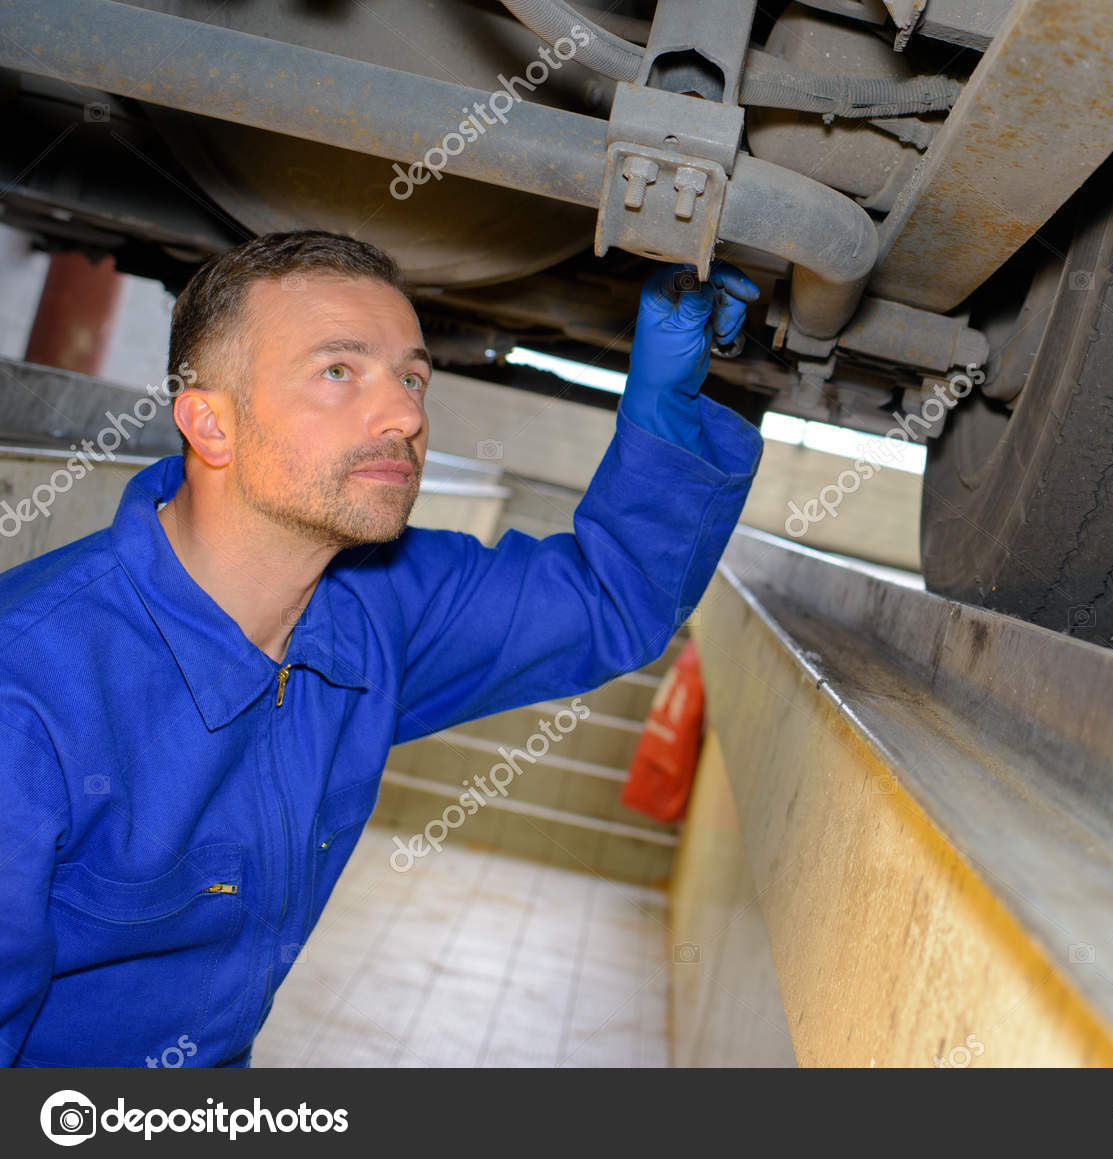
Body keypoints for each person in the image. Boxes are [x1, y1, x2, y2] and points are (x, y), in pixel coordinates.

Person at [0, 230, 762, 1067]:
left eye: (411, 377)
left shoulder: (373, 605)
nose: (407, 415)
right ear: (209, 424)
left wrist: (665, 410)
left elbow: (604, 601)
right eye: (339, 371)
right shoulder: (30, 697)